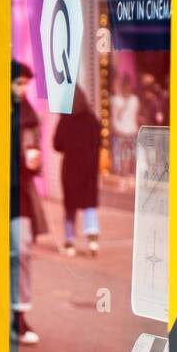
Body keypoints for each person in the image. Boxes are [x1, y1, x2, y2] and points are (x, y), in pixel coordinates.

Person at [10, 59, 46, 345]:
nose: (22, 89)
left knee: (21, 251)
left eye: (25, 84)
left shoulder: (29, 115)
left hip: (18, 192)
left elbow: (34, 153)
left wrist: (34, 161)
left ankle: (19, 316)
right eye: (17, 83)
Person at [53, 84, 102, 256]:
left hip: (70, 170)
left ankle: (70, 242)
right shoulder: (92, 119)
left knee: (70, 207)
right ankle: (93, 240)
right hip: (89, 170)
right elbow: (99, 142)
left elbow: (57, 145)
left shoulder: (66, 120)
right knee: (90, 205)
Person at [110, 70, 139, 176]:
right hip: (124, 132)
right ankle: (123, 175)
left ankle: (125, 175)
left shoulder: (133, 100)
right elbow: (115, 117)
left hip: (128, 131)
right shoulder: (118, 100)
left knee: (128, 156)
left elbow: (134, 116)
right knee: (124, 156)